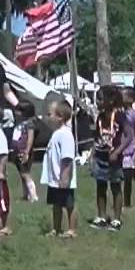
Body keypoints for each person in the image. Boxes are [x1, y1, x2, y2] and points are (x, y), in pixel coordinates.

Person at [42, 100, 77, 239]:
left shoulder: (65, 134)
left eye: (49, 114)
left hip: (63, 178)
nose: (47, 117)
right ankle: (56, 228)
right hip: (54, 179)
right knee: (56, 204)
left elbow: (67, 158)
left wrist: (65, 177)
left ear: (60, 117)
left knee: (69, 205)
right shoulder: (56, 134)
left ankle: (72, 229)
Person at [92, 87, 124, 231]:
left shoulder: (119, 117)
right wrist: (92, 154)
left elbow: (129, 137)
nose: (97, 102)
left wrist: (117, 151)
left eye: (99, 99)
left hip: (114, 159)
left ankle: (116, 219)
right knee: (100, 186)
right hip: (100, 156)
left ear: (110, 101)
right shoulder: (99, 117)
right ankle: (101, 216)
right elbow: (96, 137)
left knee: (116, 186)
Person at [119, 87, 135, 210]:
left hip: (132, 149)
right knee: (126, 178)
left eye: (123, 95)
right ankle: (126, 202)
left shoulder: (133, 115)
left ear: (130, 99)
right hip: (123, 150)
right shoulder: (120, 114)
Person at [11, 101, 39, 203]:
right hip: (18, 151)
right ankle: (26, 195)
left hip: (24, 151)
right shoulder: (20, 123)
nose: (15, 113)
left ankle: (33, 195)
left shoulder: (29, 124)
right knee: (22, 174)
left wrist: (27, 151)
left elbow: (30, 138)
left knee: (25, 173)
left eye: (18, 111)